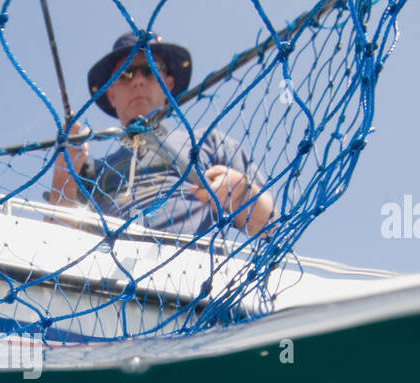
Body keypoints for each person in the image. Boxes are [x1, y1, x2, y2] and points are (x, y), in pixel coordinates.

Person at [48, 31, 274, 238]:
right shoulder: (88, 171)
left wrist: (240, 193)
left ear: (168, 84)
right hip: (107, 276)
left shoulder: (210, 142)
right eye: (125, 73)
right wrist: (63, 178)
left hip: (197, 272)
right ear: (111, 94)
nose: (138, 80)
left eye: (151, 70)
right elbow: (56, 243)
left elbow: (269, 226)